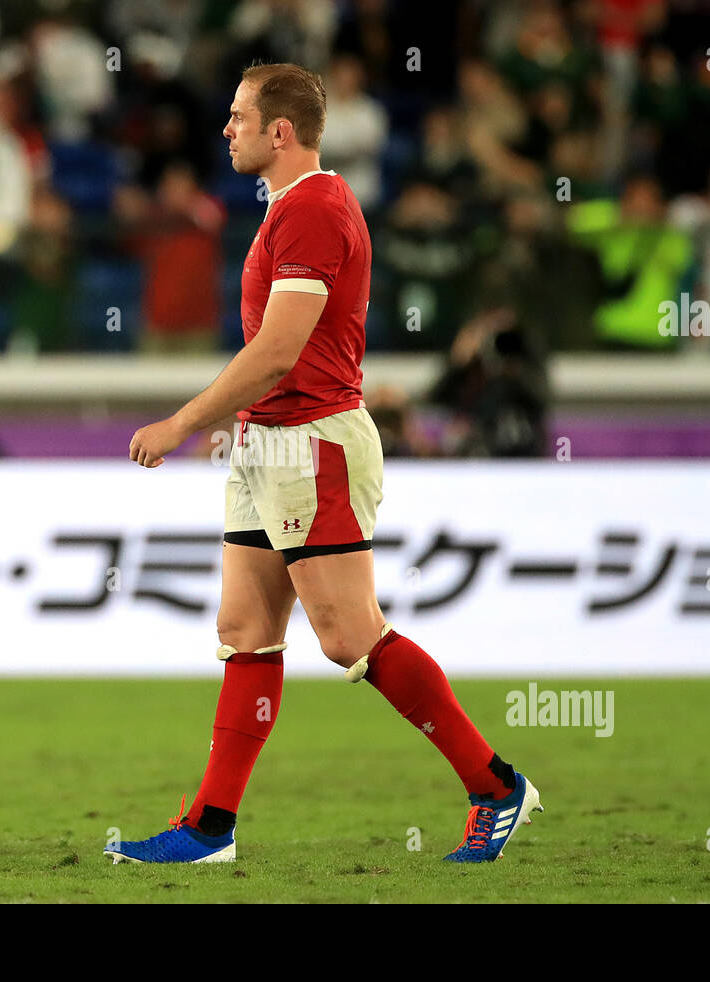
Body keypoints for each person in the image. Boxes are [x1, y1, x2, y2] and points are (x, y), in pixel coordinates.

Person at [108, 62, 542, 866]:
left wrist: (180, 423)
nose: (226, 129)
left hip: (313, 444)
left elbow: (277, 353)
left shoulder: (311, 210)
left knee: (348, 638)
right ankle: (209, 828)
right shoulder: (288, 208)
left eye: (238, 117)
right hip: (267, 442)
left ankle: (495, 786)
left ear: (281, 130)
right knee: (245, 632)